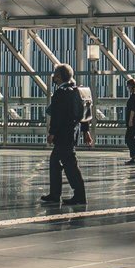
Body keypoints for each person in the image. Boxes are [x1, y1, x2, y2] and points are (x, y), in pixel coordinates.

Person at [39, 64, 89, 206]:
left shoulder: (61, 93)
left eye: (55, 73)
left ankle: (79, 195)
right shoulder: (76, 90)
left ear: (59, 76)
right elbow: (84, 113)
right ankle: (55, 194)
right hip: (73, 132)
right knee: (55, 162)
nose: (53, 76)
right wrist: (86, 131)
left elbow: (57, 116)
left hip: (63, 135)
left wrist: (52, 133)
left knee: (70, 165)